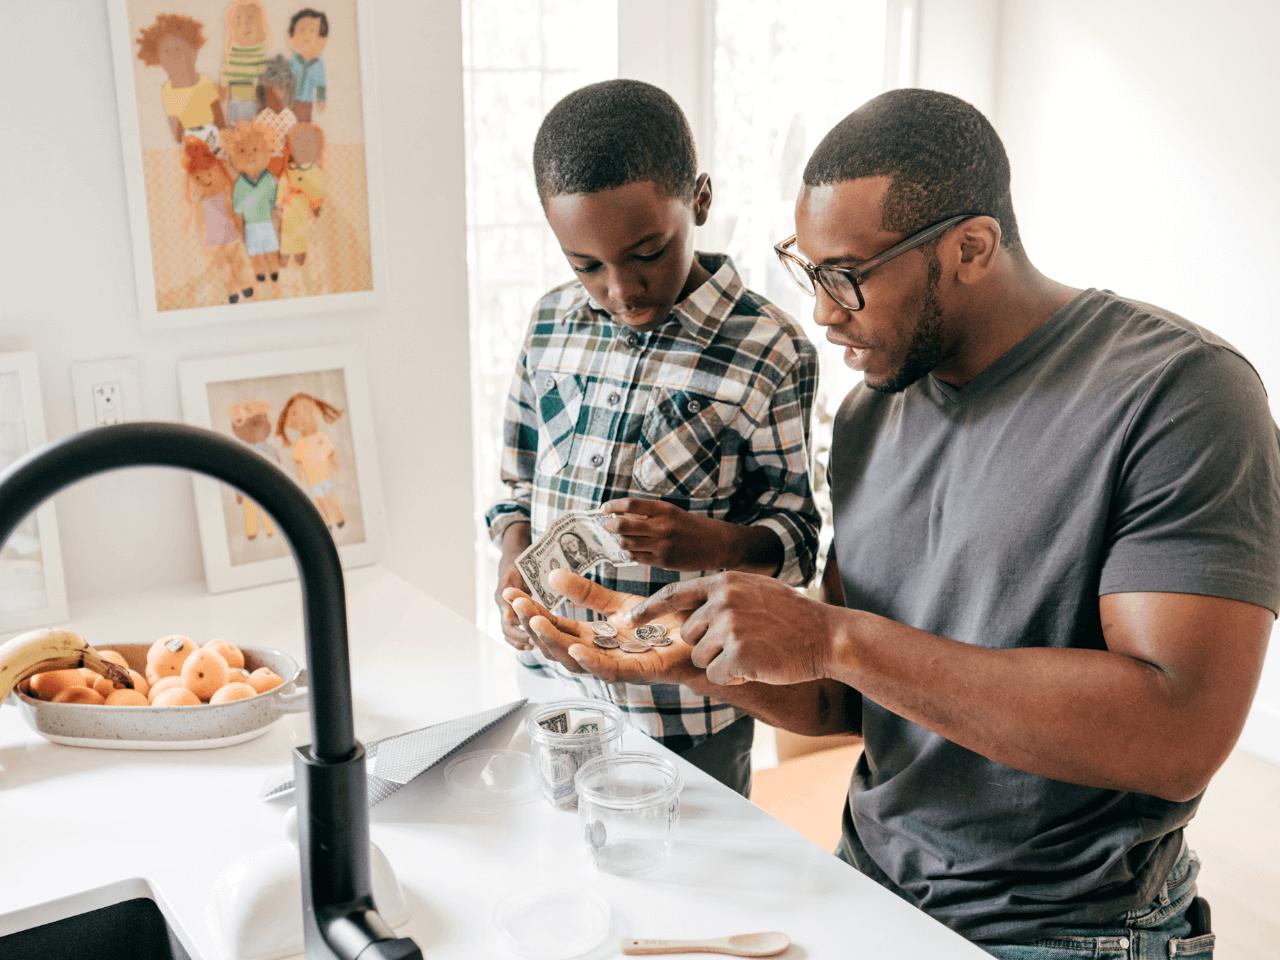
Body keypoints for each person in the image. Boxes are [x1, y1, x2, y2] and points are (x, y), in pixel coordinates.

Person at [505, 88, 1280, 957]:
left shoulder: (1180, 396)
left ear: (971, 248)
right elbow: (846, 699)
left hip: (1071, 927)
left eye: (847, 277)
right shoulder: (874, 415)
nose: (825, 312)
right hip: (868, 881)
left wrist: (833, 636)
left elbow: (1178, 734)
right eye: (809, 272)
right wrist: (703, 666)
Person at [486, 79, 821, 797]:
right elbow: (515, 486)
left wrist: (713, 545)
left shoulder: (769, 349)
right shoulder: (549, 324)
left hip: (689, 711)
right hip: (553, 688)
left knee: (687, 890)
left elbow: (796, 537)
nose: (622, 288)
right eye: (587, 267)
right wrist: (514, 562)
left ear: (698, 201)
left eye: (647, 252)